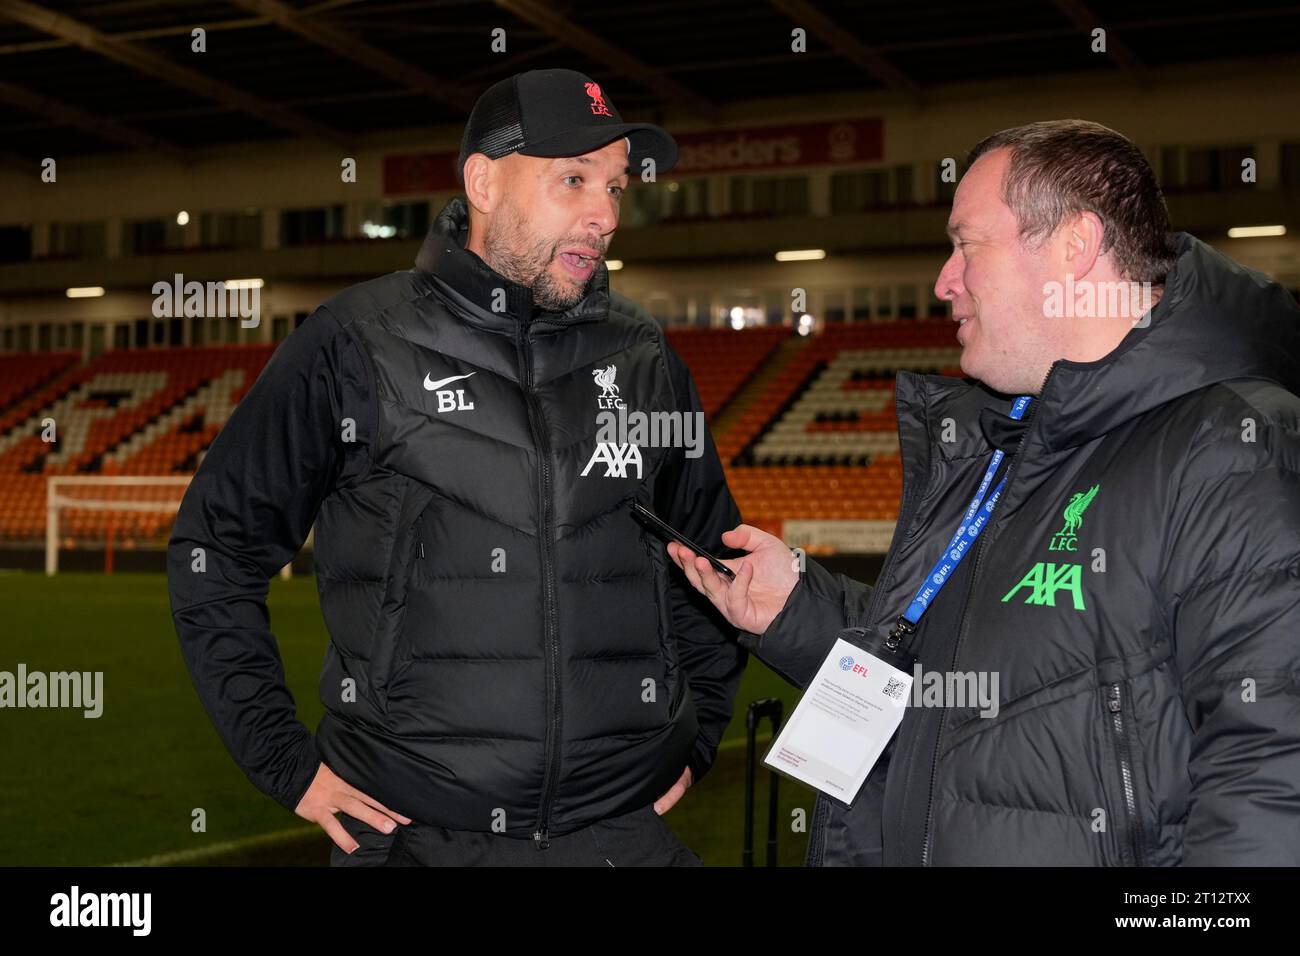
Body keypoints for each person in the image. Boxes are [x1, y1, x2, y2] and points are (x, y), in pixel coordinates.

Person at [669, 119, 1300, 866]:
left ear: (1074, 246)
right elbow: (951, 687)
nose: (944, 280)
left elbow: (1272, 781)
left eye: (967, 245)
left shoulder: (1231, 447)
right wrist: (795, 607)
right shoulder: (1004, 443)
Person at [167, 68, 747, 867]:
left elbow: (711, 557)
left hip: (620, 832)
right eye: (572, 180)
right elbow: (216, 548)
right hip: (417, 839)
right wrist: (287, 765)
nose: (604, 215)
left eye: (616, 187)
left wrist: (698, 732)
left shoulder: (642, 354)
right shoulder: (356, 342)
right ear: (482, 181)